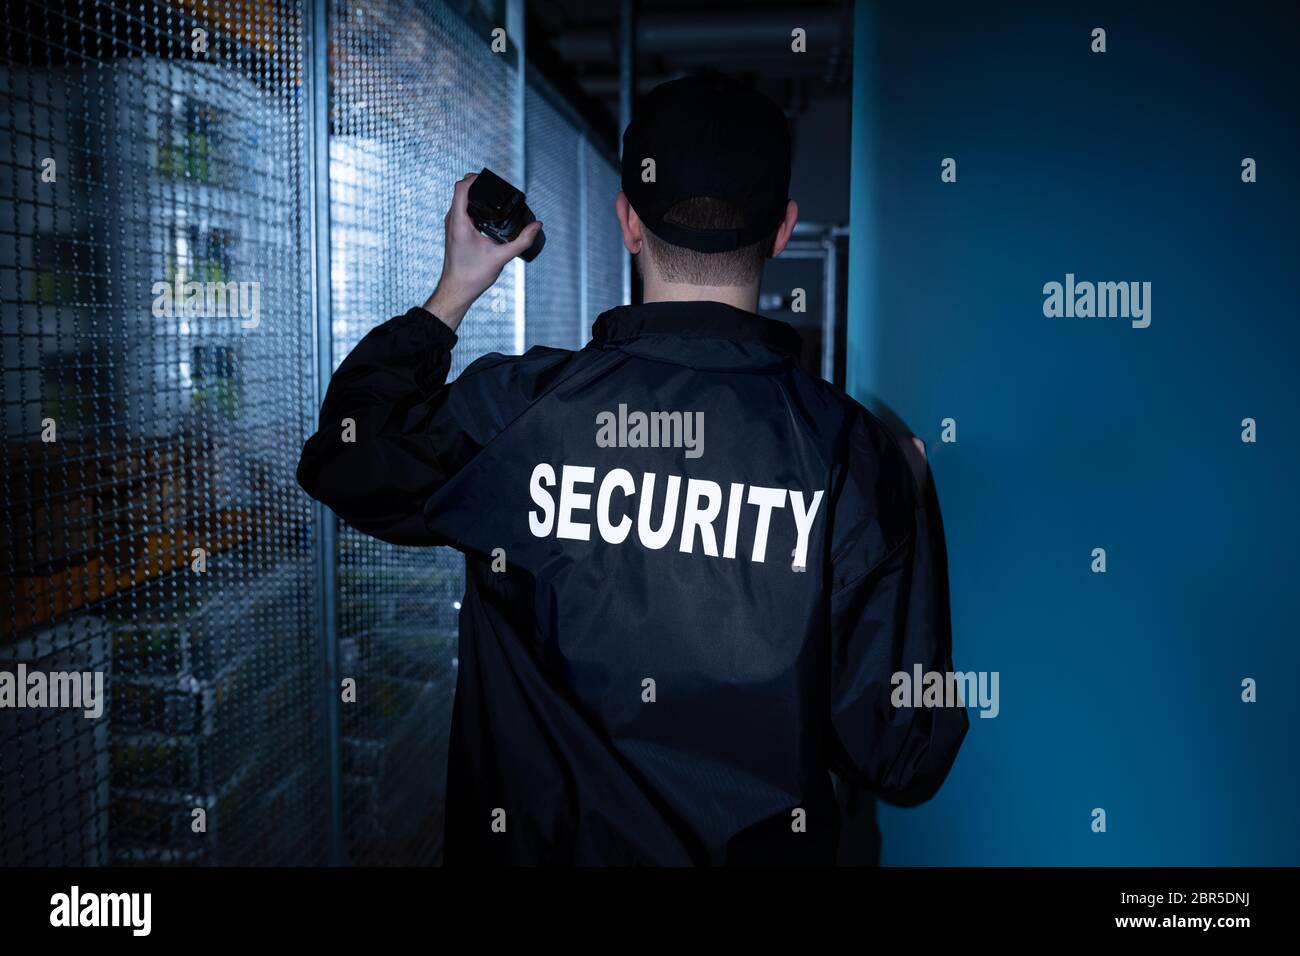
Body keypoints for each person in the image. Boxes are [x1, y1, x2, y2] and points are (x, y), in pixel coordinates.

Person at [297, 72, 966, 865]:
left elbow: (347, 458)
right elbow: (905, 754)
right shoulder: (855, 463)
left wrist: (453, 293)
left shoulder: (520, 411)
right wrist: (912, 510)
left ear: (627, 223)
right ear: (784, 230)